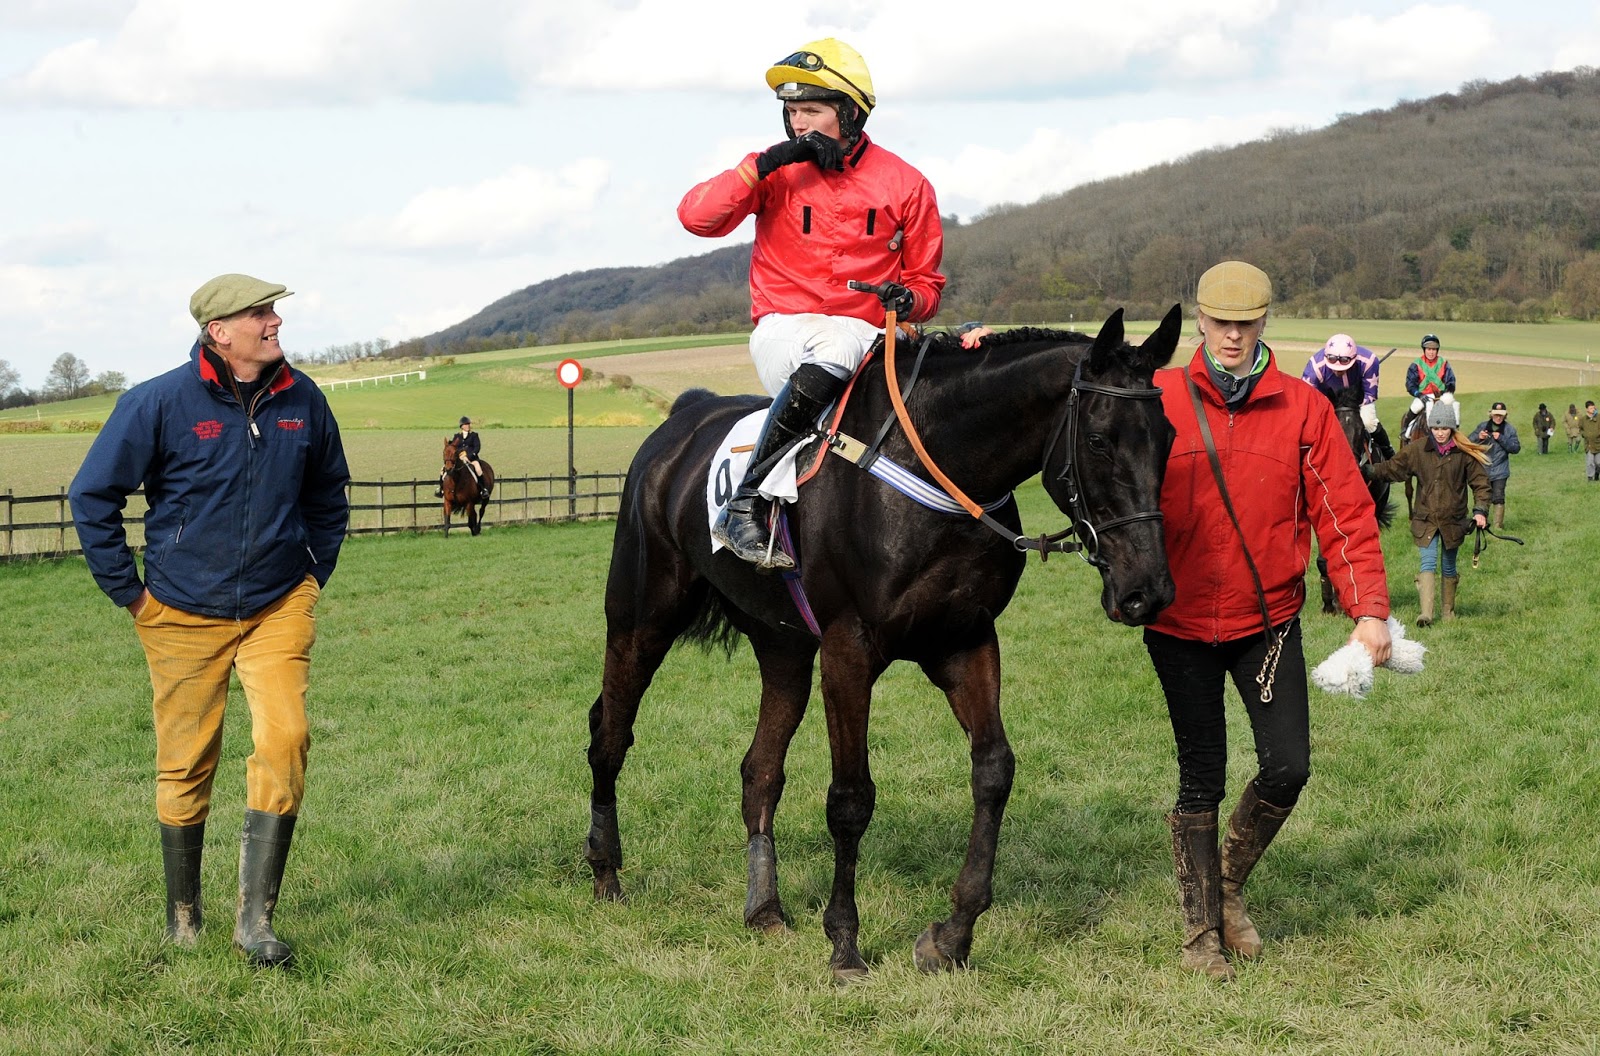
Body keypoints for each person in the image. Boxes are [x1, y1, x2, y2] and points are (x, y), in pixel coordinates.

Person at [69, 273, 350, 969]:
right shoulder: (159, 402)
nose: (275, 322)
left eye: (275, 310)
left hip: (278, 604)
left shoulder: (303, 400)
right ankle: (183, 918)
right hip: (179, 612)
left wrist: (312, 573)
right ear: (219, 331)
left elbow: (329, 493)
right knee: (187, 761)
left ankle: (255, 924)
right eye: (261, 313)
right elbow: (92, 493)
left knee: (287, 737)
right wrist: (132, 595)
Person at [1146, 261, 1391, 980]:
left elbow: (1345, 513)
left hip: (1269, 620)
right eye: (1219, 321)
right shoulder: (1156, 398)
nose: (1231, 334)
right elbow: (1070, 404)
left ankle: (1224, 888)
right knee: (1204, 776)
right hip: (1179, 621)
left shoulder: (1304, 408)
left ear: (1264, 324)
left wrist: (1368, 608)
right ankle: (1200, 936)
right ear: (1198, 320)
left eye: (1245, 322)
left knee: (1289, 767)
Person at [678, 38, 945, 568]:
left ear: (849, 113)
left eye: (812, 111)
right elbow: (696, 218)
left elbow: (927, 287)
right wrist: (768, 161)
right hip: (786, 333)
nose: (799, 124)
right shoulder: (773, 171)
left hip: (874, 346)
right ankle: (745, 503)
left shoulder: (908, 184)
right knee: (839, 339)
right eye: (792, 112)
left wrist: (906, 298)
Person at [1367, 401, 1490, 626]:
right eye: (1436, 428)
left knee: (1449, 566)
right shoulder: (1418, 449)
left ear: (1452, 428)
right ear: (1430, 427)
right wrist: (1369, 471)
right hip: (1425, 519)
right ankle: (1426, 614)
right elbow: (1394, 468)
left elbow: (1481, 484)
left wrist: (1480, 510)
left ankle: (1448, 613)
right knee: (1428, 563)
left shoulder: (1464, 453)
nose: (1440, 433)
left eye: (1444, 428)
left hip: (1453, 521)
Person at [1301, 332, 1394, 458]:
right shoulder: (1314, 369)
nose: (1337, 371)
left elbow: (1369, 394)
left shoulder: (1369, 361)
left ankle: (1388, 453)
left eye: (1342, 368)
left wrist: (1353, 409)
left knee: (1368, 422)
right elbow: (1308, 400)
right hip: (1326, 399)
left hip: (1358, 399)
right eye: (1334, 368)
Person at [1469, 401, 1520, 528]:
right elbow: (1468, 443)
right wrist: (1478, 437)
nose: (1498, 417)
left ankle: (1498, 526)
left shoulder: (1509, 430)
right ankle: (1481, 523)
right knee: (1482, 496)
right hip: (1482, 469)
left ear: (1505, 415)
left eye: (1501, 415)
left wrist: (1501, 438)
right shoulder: (1482, 427)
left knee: (1498, 497)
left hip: (1500, 471)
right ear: (1491, 414)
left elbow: (1515, 448)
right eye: (1496, 414)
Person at [1403, 333, 1458, 437]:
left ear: (1437, 350)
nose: (1431, 352)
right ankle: (1405, 432)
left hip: (1441, 396)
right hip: (1423, 396)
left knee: (1454, 408)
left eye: (1434, 349)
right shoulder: (1416, 364)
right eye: (1428, 349)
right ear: (1424, 349)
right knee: (1415, 407)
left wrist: (1447, 394)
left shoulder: (1444, 363)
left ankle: (1455, 435)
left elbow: (1451, 381)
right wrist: (1418, 394)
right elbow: (1410, 384)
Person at [437, 415, 485, 497]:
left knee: (478, 469)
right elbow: (453, 447)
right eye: (466, 424)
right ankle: (441, 489)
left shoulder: (474, 435)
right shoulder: (457, 436)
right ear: (462, 426)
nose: (468, 426)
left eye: (468, 424)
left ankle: (483, 489)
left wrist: (469, 456)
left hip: (471, 459)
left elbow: (477, 447)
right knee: (443, 470)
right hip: (459, 459)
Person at [1582, 401, 1600, 481]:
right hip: (1588, 444)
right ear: (1587, 409)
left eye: (1593, 407)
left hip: (1598, 444)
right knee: (1590, 462)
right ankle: (1590, 477)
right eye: (1590, 408)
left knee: (1598, 463)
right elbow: (1580, 429)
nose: (1592, 409)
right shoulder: (1583, 419)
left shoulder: (1599, 417)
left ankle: (1597, 473)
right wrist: (1584, 434)